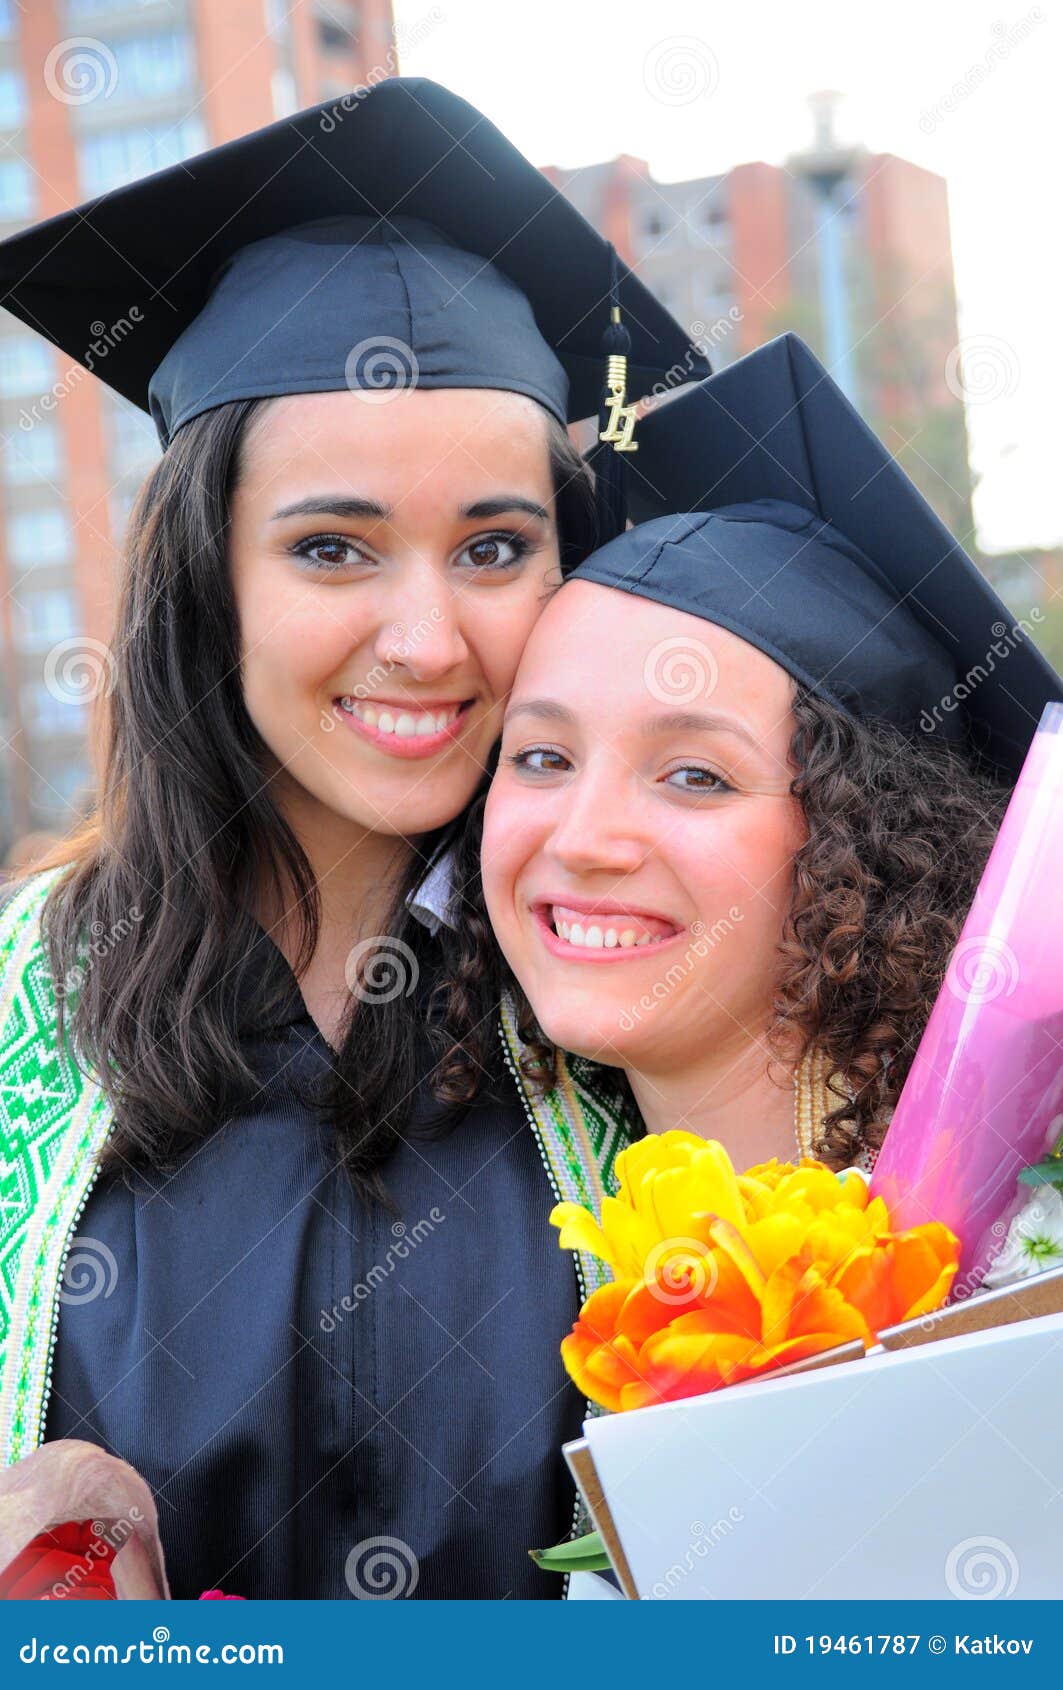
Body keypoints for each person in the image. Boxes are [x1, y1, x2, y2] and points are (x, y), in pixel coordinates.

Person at [0, 79, 703, 1599]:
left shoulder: (657, 991)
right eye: (332, 547)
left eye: (495, 546)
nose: (427, 638)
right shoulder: (21, 1011)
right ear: (211, 580)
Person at [472, 333, 1061, 1192]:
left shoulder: (1015, 1235)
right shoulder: (501, 1231)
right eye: (541, 757)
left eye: (694, 776)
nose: (582, 839)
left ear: (871, 841)